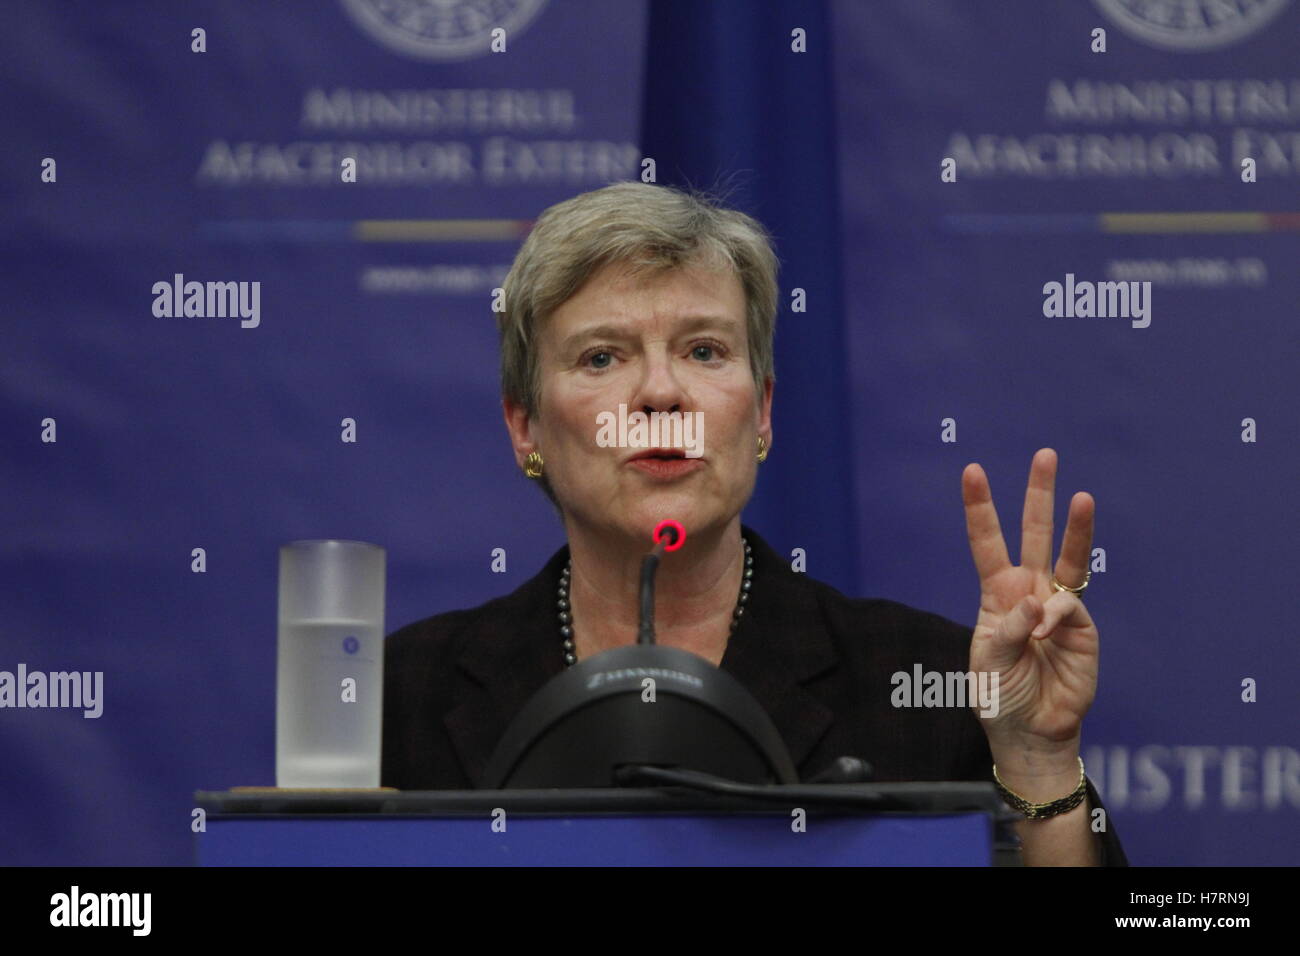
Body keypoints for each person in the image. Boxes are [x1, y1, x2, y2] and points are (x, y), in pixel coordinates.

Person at [382, 181, 1128, 866]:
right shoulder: (407, 696)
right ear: (527, 428)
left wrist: (1037, 763)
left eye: (704, 350)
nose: (662, 395)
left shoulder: (931, 685)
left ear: (762, 411)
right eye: (602, 357)